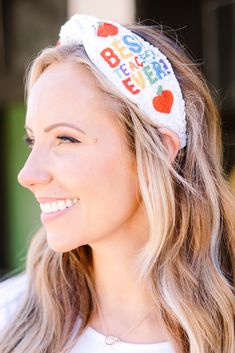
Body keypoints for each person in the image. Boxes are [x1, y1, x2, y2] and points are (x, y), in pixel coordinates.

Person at [0, 14, 234, 353]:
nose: (27, 174)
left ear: (158, 151)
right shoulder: (9, 317)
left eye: (65, 139)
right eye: (32, 140)